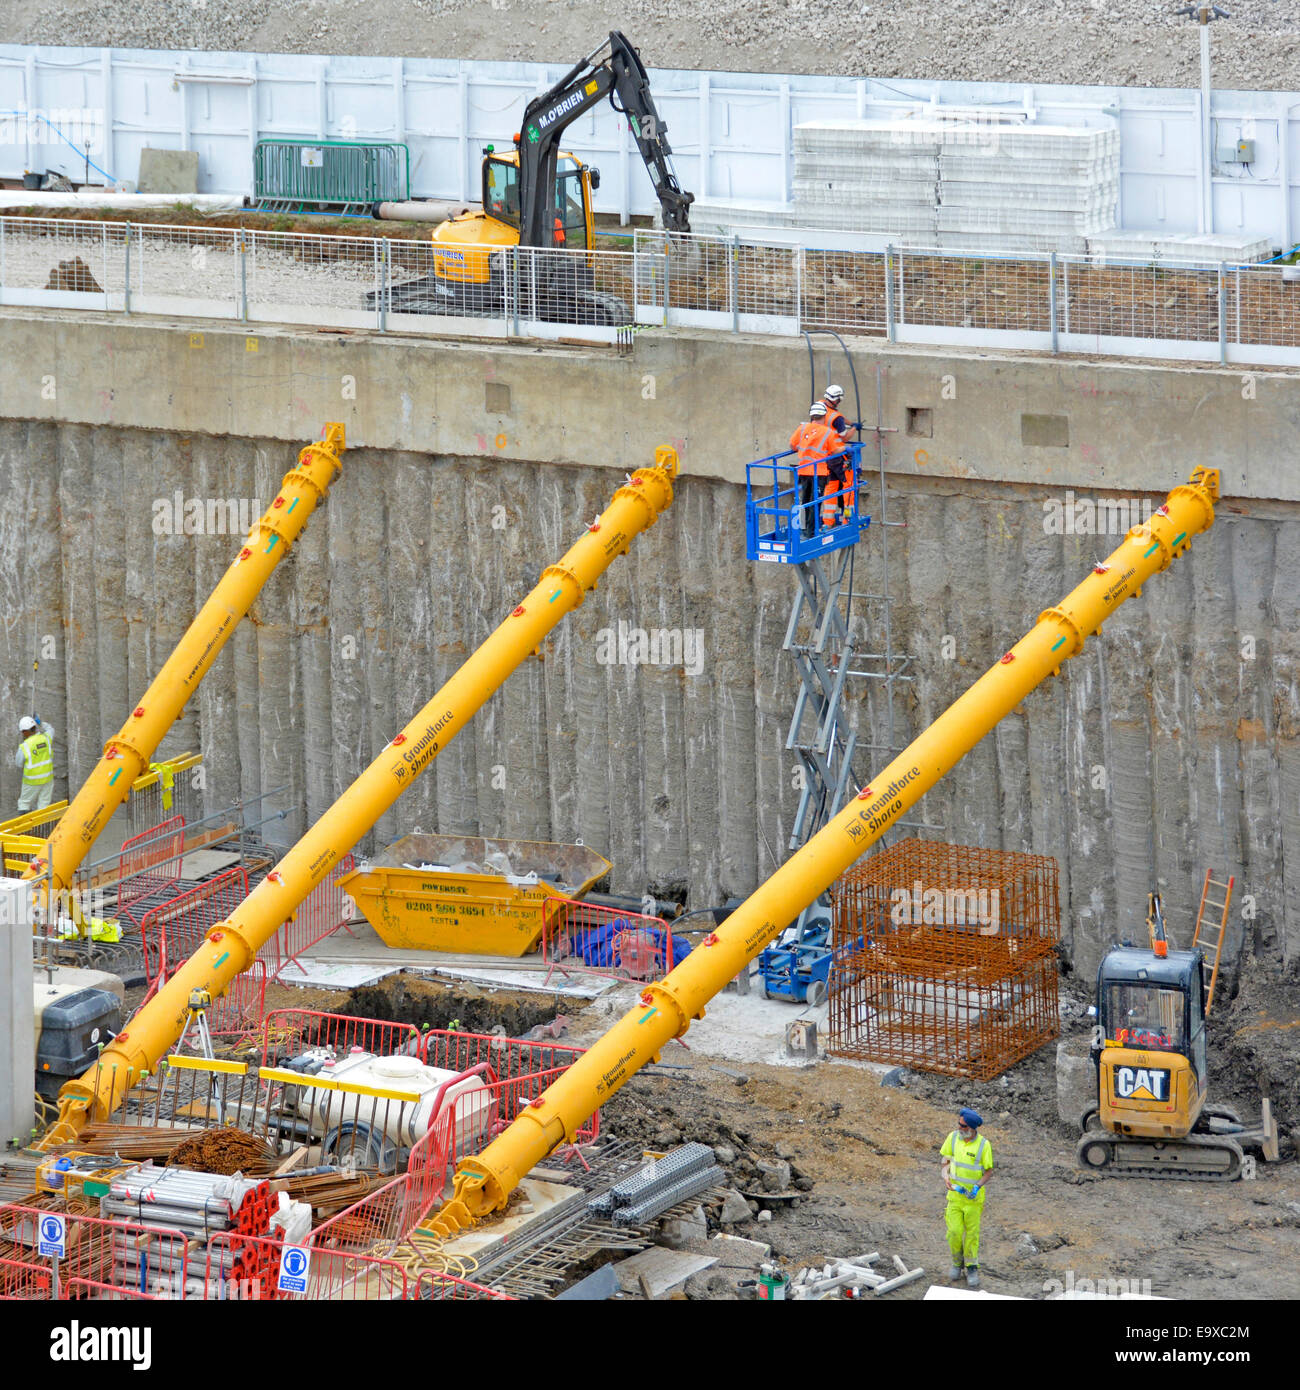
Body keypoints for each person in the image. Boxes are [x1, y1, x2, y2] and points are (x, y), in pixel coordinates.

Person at [941, 1107, 994, 1289]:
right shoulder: (953, 1137)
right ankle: (957, 1263)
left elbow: (988, 1171)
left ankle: (971, 1267)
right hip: (955, 1197)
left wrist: (977, 1187)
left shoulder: (983, 1145)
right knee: (954, 1232)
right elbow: (945, 1160)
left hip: (972, 1201)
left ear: (971, 1128)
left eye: (962, 1126)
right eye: (959, 1124)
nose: (959, 1127)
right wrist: (946, 1177)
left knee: (971, 1236)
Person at [788, 403, 844, 532]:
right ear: (824, 416)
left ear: (812, 416)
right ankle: (811, 531)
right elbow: (835, 451)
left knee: (805, 501)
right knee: (815, 502)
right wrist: (846, 448)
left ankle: (803, 528)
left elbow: (792, 445)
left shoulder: (802, 428)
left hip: (803, 470)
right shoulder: (827, 432)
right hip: (819, 473)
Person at [820, 385, 856, 524]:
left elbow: (839, 419)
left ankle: (827, 521)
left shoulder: (821, 407)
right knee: (849, 486)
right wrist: (854, 428)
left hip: (826, 456)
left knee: (831, 487)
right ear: (837, 400)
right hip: (839, 456)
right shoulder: (837, 418)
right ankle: (847, 518)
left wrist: (850, 422)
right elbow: (845, 438)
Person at [16, 714, 56, 813]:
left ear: (25, 732)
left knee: (24, 804)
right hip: (47, 779)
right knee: (44, 805)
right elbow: (50, 729)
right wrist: (41, 723)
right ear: (34, 728)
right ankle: (42, 827)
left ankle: (26, 827)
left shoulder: (24, 747)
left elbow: (18, 763)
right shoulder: (46, 738)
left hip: (31, 782)